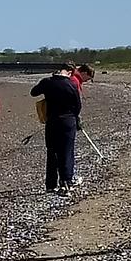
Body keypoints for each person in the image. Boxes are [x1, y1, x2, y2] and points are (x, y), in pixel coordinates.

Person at [31, 67, 83, 195]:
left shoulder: (47, 82)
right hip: (68, 121)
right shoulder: (71, 84)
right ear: (68, 73)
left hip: (52, 121)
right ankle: (66, 182)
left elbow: (34, 92)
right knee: (67, 151)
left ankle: (51, 184)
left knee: (52, 152)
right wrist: (76, 118)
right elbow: (77, 105)